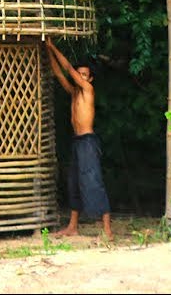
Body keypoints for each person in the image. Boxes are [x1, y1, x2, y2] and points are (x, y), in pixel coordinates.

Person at [44, 37, 112, 241]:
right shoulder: (74, 93)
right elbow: (59, 72)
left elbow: (67, 69)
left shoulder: (88, 91)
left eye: (84, 75)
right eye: (79, 74)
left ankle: (107, 230)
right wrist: (47, 51)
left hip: (88, 142)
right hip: (77, 142)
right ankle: (72, 227)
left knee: (93, 182)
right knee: (73, 182)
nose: (81, 78)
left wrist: (52, 46)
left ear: (89, 79)